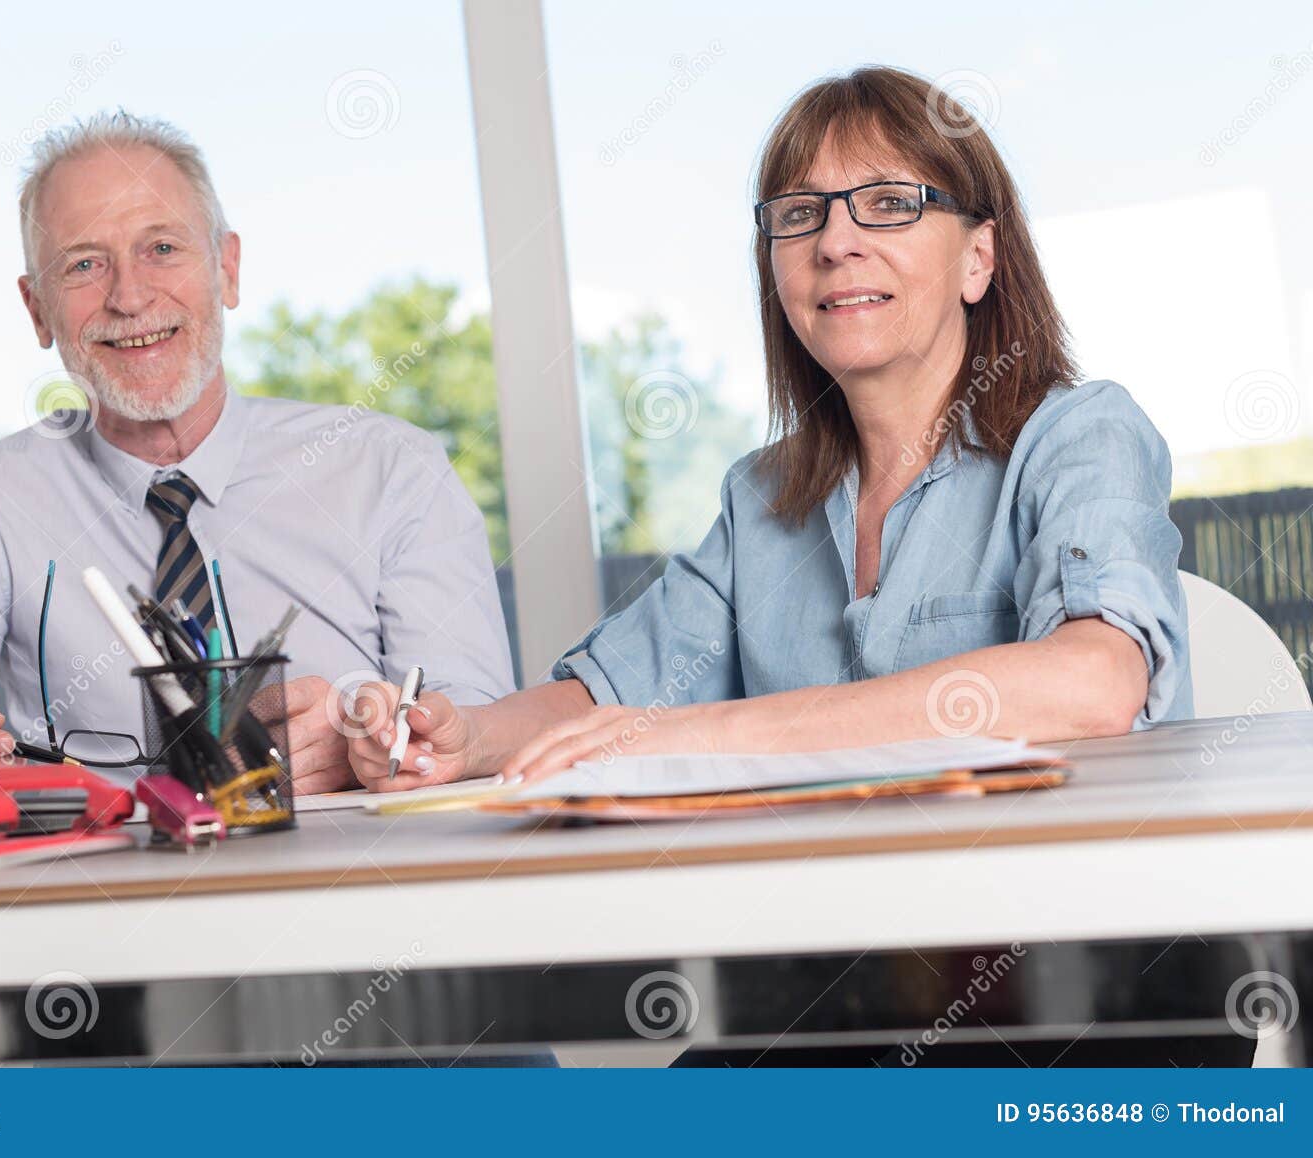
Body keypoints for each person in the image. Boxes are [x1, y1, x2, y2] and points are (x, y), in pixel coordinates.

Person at [346, 65, 1192, 791]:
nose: (836, 242)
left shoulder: (1083, 436)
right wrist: (462, 739)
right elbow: (606, 698)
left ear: (980, 258)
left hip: (1064, 949)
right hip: (819, 941)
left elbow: (1094, 683)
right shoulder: (762, 499)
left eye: (889, 203)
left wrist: (707, 736)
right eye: (801, 214)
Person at [0, 112, 513, 802]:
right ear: (38, 310)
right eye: (83, 264)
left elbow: (477, 726)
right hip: (95, 908)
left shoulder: (392, 471)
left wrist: (374, 743)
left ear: (227, 269)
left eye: (162, 248)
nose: (130, 297)